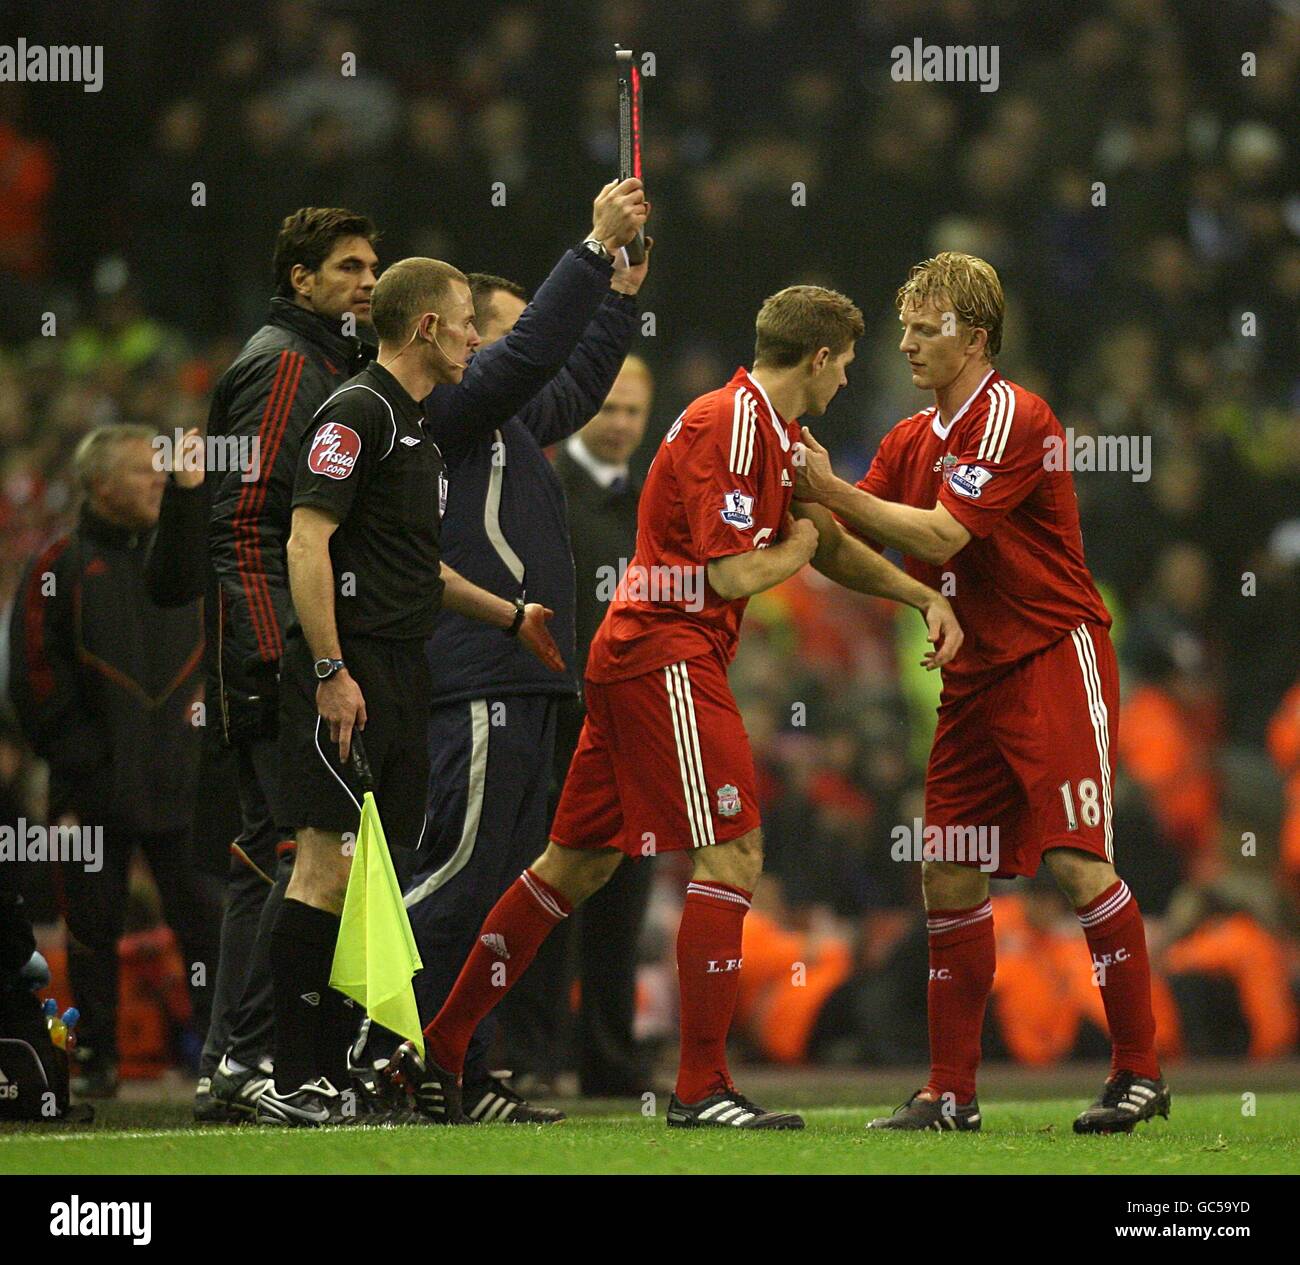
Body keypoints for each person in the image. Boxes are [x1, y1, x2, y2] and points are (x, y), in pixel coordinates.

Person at [393, 284, 964, 1129]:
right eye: (844, 364)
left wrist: (917, 596)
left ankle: (439, 1049)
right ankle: (700, 1085)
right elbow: (733, 574)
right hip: (666, 653)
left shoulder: (773, 431)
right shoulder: (728, 425)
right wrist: (799, 543)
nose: (848, 380)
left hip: (645, 654)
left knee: (573, 865)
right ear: (818, 357)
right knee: (733, 854)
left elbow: (834, 549)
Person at [793, 251, 1170, 1134]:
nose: (910, 343)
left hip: (1049, 654)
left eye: (931, 328)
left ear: (979, 337)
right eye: (907, 327)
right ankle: (951, 1092)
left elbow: (939, 529)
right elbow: (844, 535)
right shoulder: (910, 438)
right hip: (970, 676)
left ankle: (1139, 1073)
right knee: (949, 866)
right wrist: (771, 496)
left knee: (1078, 862)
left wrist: (829, 489)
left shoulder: (1015, 416)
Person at [256, 257, 565, 1127]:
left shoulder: (418, 429)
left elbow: (415, 568)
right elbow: (305, 542)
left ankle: (342, 1067)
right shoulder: (354, 412)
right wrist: (328, 669)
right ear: (427, 326)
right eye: (467, 319)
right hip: (344, 668)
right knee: (324, 867)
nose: (477, 335)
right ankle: (293, 1075)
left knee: (374, 881)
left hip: (404, 670)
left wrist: (509, 618)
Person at [392, 253, 649, 1126]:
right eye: (476, 324)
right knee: (460, 875)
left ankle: (464, 1064)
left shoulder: (506, 420)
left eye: (484, 324)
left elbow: (569, 384)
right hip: (474, 672)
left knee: (500, 885)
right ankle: (372, 1041)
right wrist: (588, 254)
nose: (478, 338)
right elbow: (538, 355)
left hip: (525, 678)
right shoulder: (447, 408)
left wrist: (617, 297)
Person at [198, 207, 382, 1122]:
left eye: (373, 267)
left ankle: (238, 1056)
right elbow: (246, 521)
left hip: (280, 647)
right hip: (274, 649)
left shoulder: (321, 362)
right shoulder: (286, 364)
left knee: (276, 854)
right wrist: (287, 657)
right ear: (300, 279)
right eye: (347, 267)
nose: (366, 281)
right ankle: (247, 1056)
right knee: (300, 852)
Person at [8, 426, 218, 1098]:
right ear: (98, 484)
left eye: (160, 469)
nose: (158, 479)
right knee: (91, 929)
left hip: (182, 784)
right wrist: (87, 763)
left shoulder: (183, 561)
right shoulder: (58, 565)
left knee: (205, 920)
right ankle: (92, 1056)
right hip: (91, 790)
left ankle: (217, 1052)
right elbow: (36, 681)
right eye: (139, 471)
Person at [500, 355, 658, 1098]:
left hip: (640, 723)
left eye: (634, 410)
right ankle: (530, 1055)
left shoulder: (655, 499)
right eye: (611, 407)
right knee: (548, 888)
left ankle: (609, 1059)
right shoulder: (542, 488)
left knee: (624, 900)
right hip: (556, 715)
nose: (622, 423)